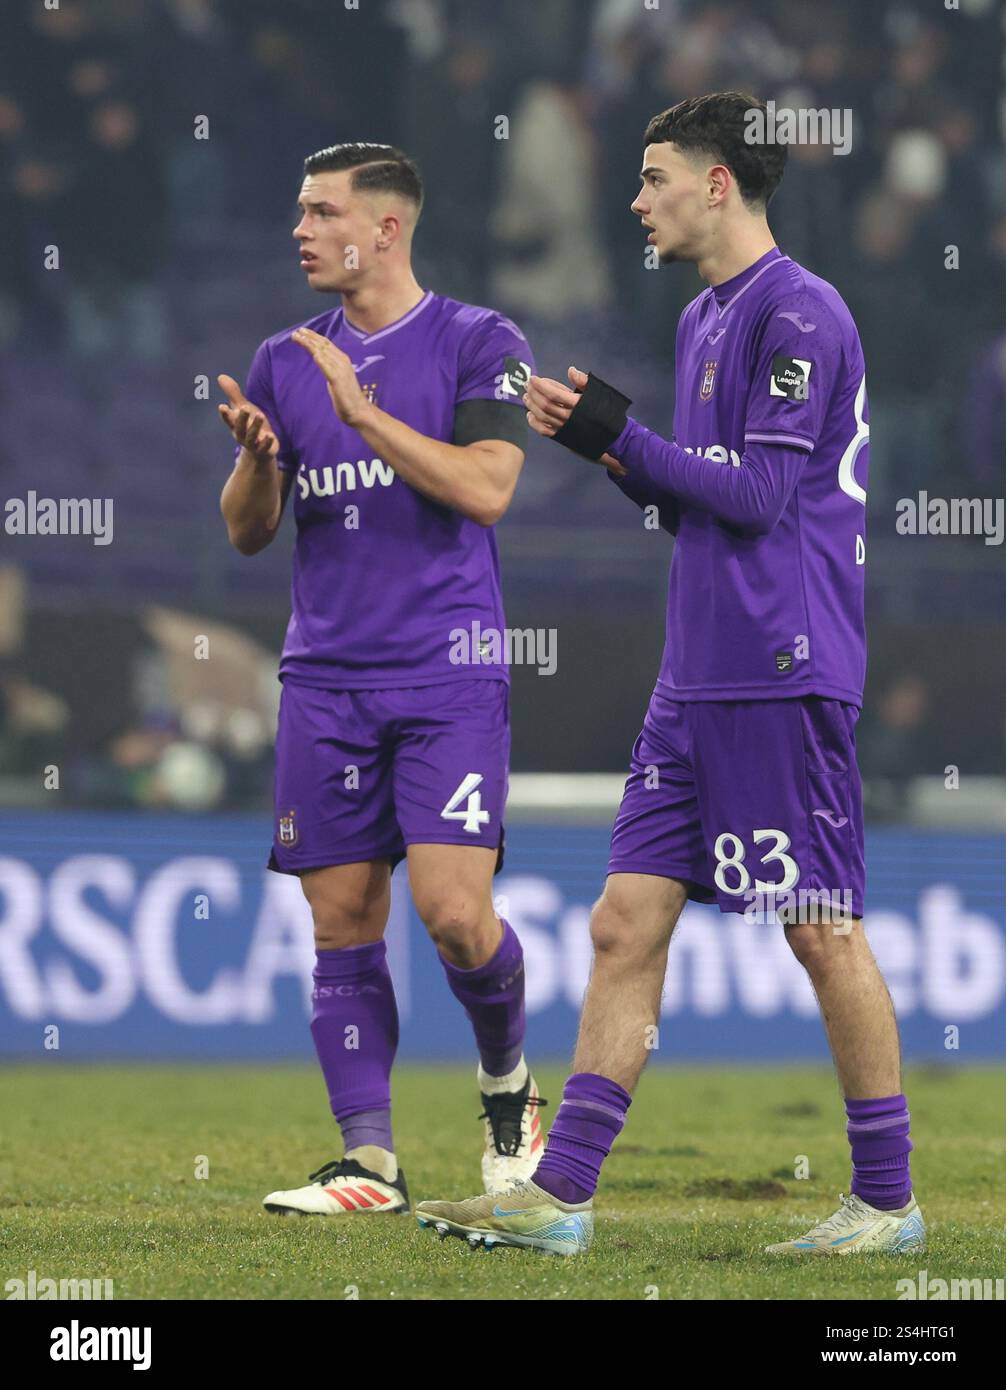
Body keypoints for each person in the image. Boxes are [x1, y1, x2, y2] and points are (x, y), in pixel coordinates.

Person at [416, 93, 924, 1259]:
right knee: (622, 920)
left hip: (780, 665)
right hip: (694, 673)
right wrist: (604, 444)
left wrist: (618, 431)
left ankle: (887, 1200)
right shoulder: (703, 317)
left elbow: (755, 496)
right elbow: (680, 498)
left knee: (817, 927)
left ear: (715, 183)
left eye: (652, 177)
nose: (636, 201)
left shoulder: (800, 310)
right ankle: (560, 1196)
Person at [218, 143, 542, 1216]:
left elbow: (488, 488)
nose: (301, 230)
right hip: (326, 678)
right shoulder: (285, 357)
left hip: (448, 670)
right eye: (299, 211)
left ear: (387, 227)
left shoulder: (476, 340)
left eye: (321, 211)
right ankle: (369, 1162)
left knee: (455, 915)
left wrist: (364, 417)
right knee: (342, 918)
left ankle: (506, 1087)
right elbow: (248, 535)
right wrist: (261, 459)